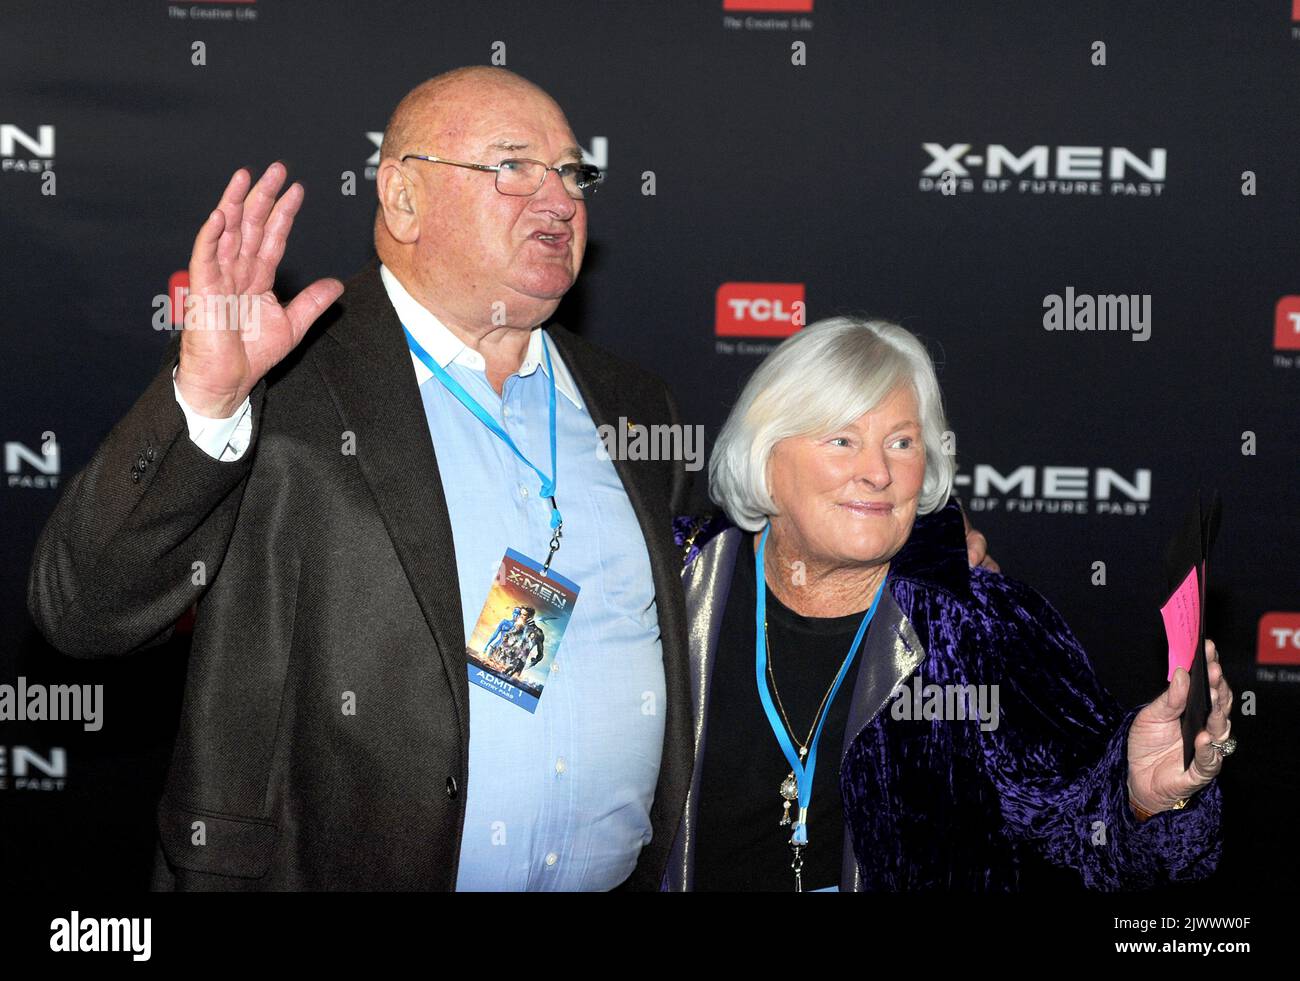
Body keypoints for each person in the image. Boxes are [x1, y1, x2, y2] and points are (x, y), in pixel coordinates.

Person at [27, 67, 994, 891]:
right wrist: (204, 403)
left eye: (572, 171)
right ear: (402, 198)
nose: (561, 197)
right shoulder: (286, 378)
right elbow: (83, 608)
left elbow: (720, 584)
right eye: (512, 168)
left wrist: (917, 550)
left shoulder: (631, 402)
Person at [665, 316, 1231, 892]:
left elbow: (1074, 831)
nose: (879, 472)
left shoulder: (980, 624)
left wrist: (1136, 793)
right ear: (765, 457)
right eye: (841, 440)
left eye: (901, 443)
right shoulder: (671, 584)